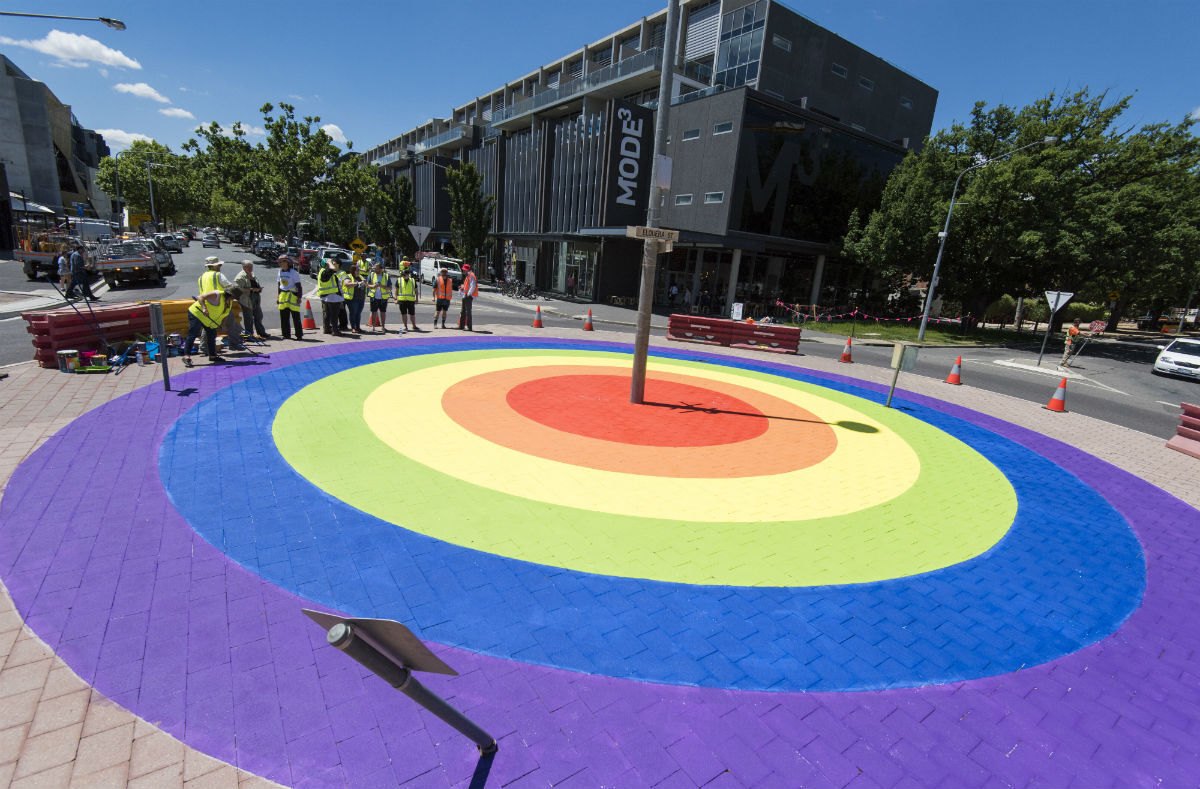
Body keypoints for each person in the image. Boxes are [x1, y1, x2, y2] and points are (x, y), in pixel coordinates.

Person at [183, 285, 233, 366]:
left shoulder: (229, 302)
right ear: (229, 294)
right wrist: (204, 308)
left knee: (212, 334)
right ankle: (186, 356)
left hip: (208, 320)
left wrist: (223, 325)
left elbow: (226, 314)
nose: (233, 299)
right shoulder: (217, 294)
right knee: (193, 333)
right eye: (233, 297)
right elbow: (200, 297)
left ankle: (212, 356)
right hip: (197, 314)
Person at [234, 260, 268, 339]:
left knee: (259, 316)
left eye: (251, 267)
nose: (250, 268)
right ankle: (249, 335)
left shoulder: (252, 274)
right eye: (248, 267)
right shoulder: (240, 276)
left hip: (255, 298)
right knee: (248, 318)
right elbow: (238, 289)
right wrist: (252, 289)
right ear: (244, 267)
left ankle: (261, 333)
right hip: (246, 299)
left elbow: (255, 284)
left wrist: (259, 289)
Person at [277, 256, 304, 340]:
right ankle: (286, 334)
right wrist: (278, 296)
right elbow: (279, 285)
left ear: (287, 263)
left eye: (283, 262)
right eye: (280, 262)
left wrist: (299, 297)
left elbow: (299, 286)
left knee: (296, 317)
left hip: (292, 296)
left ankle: (299, 335)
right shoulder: (279, 272)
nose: (281, 264)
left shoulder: (294, 273)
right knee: (284, 317)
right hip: (283, 296)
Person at [316, 259, 344, 336]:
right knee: (334, 315)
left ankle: (327, 329)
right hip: (331, 296)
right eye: (331, 264)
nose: (333, 264)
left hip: (327, 296)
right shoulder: (325, 271)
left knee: (327, 314)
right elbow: (333, 269)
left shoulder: (323, 271)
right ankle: (335, 331)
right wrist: (329, 263)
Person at [366, 263, 393, 333]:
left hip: (383, 298)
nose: (375, 269)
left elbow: (390, 288)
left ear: (381, 269)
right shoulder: (371, 275)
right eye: (374, 268)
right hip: (373, 297)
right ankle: (373, 327)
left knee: (383, 312)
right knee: (373, 312)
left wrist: (382, 286)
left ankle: (383, 326)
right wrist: (373, 286)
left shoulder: (386, 276)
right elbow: (367, 285)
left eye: (376, 268)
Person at [395, 264, 420, 332]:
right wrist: (396, 299)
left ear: (408, 274)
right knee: (404, 314)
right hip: (402, 300)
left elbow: (416, 291)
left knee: (412, 314)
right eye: (402, 275)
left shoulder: (412, 280)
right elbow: (396, 290)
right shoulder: (399, 280)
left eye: (404, 274)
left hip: (411, 300)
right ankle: (405, 327)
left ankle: (414, 326)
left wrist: (416, 299)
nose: (403, 276)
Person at [342, 264, 366, 333]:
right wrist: (358, 283)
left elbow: (365, 285)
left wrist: (364, 283)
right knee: (353, 313)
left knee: (358, 313)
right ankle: (353, 327)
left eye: (359, 270)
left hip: (361, 298)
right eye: (357, 270)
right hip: (352, 299)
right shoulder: (348, 277)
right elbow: (347, 284)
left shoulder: (360, 277)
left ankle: (358, 327)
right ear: (353, 271)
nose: (359, 272)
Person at [458, 263, 478, 331]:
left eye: (464, 270)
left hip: (468, 296)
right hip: (465, 295)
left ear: (467, 270)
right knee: (463, 311)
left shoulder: (471, 275)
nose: (463, 271)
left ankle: (469, 327)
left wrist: (468, 294)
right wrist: (462, 288)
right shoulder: (468, 276)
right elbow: (467, 286)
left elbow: (473, 286)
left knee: (468, 312)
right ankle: (461, 325)